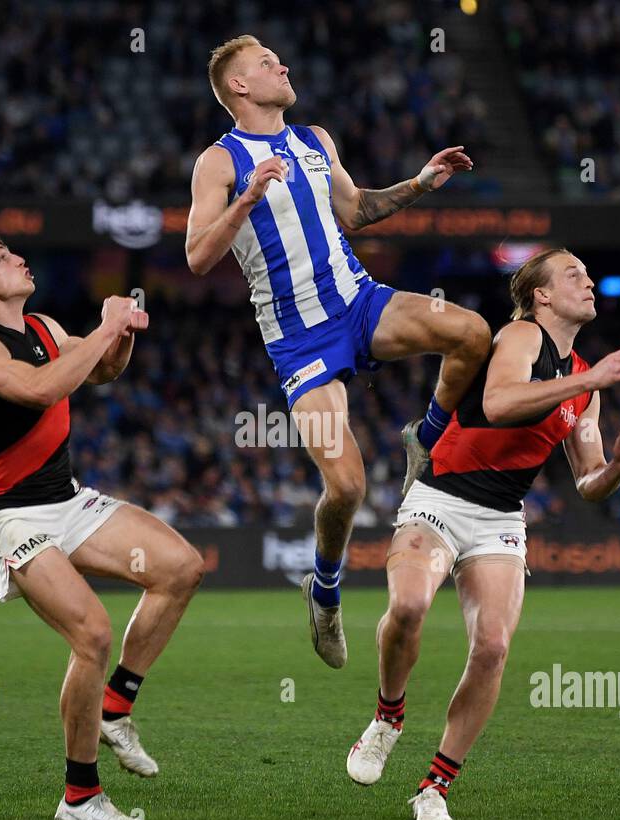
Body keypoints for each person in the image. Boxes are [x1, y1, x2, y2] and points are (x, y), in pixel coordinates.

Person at [186, 35, 492, 669]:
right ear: (239, 86)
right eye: (268, 63)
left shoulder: (316, 140)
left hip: (361, 304)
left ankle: (425, 439)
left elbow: (355, 212)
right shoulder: (219, 162)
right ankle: (324, 591)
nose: (284, 64)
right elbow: (196, 256)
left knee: (470, 332)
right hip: (300, 342)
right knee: (348, 486)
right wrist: (246, 197)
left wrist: (420, 183)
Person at [344, 248, 620, 820]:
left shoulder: (587, 382)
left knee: (493, 647)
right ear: (541, 295)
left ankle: (434, 786)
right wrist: (589, 378)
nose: (588, 281)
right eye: (573, 274)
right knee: (408, 606)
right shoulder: (522, 337)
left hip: (501, 518)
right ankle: (388, 717)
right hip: (441, 495)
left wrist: (617, 469)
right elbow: (499, 401)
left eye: (589, 272)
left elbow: (587, 481)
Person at [0, 230, 204, 820]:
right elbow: (41, 389)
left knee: (181, 568)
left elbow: (99, 372)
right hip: (9, 516)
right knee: (91, 633)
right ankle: (79, 798)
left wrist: (122, 334)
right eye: (4, 258)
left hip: (66, 500)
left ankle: (116, 708)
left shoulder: (46, 328)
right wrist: (107, 328)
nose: (20, 259)